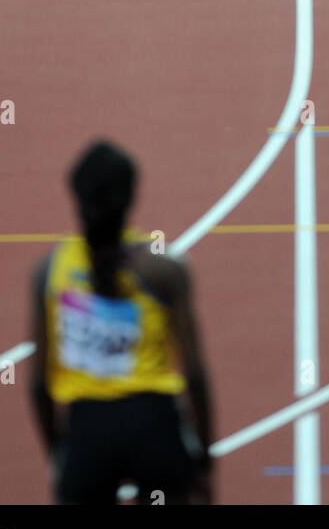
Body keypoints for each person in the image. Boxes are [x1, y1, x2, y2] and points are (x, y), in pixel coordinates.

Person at [27, 141, 214, 504]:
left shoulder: (50, 273)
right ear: (131, 198)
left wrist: (60, 454)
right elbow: (195, 375)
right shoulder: (164, 270)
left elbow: (38, 384)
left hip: (87, 433)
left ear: (76, 199)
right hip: (155, 429)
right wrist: (203, 458)